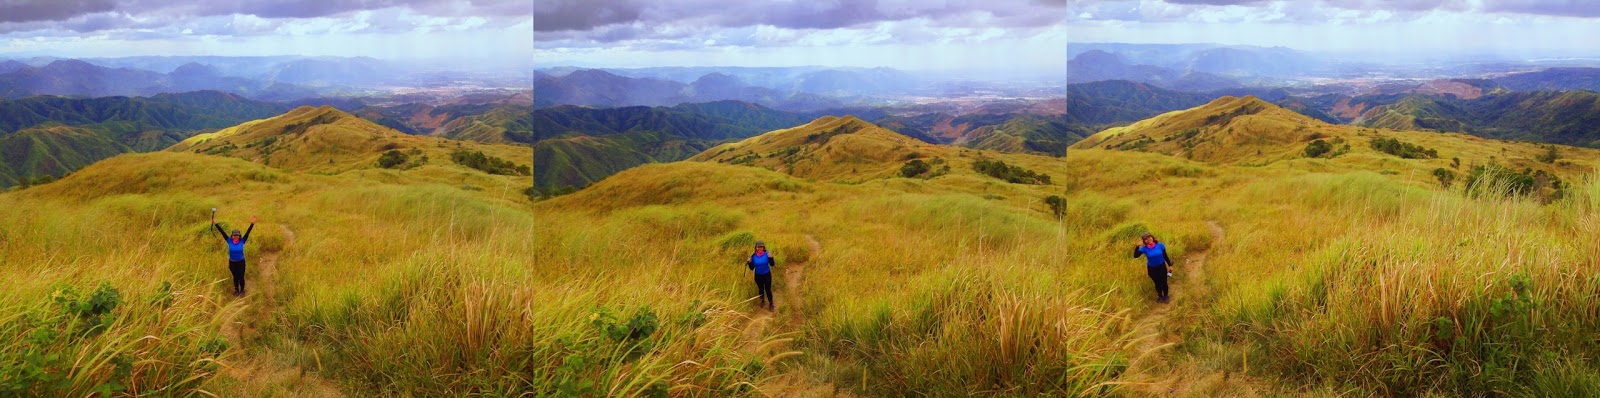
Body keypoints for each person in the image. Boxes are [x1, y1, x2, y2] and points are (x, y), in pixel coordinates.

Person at [214, 213, 256, 296]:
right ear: (232, 236)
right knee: (235, 277)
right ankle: (236, 290)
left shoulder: (242, 241)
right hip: (232, 263)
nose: (236, 236)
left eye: (237, 235)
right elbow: (222, 232)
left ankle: (242, 290)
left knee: (241, 277)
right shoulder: (229, 240)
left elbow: (248, 232)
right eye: (234, 235)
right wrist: (216, 224)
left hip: (241, 262)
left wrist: (252, 224)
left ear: (239, 236)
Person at [1133, 232, 1175, 303]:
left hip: (1162, 267)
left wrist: (1170, 265)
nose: (1148, 239)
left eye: (1149, 237)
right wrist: (1137, 246)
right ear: (1144, 241)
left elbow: (1165, 256)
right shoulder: (1144, 249)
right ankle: (1160, 297)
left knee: (1164, 282)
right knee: (1157, 283)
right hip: (1152, 269)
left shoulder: (1160, 245)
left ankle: (1166, 296)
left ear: (1152, 237)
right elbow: (1136, 256)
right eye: (1146, 239)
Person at [745, 241, 776, 311]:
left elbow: (772, 264)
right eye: (758, 247)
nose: (760, 248)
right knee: (761, 289)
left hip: (767, 275)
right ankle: (762, 302)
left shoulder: (767, 254)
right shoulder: (753, 256)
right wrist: (749, 262)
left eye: (761, 247)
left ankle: (771, 304)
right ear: (756, 248)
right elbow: (752, 268)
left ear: (763, 247)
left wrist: (771, 258)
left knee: (768, 289)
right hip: (758, 276)